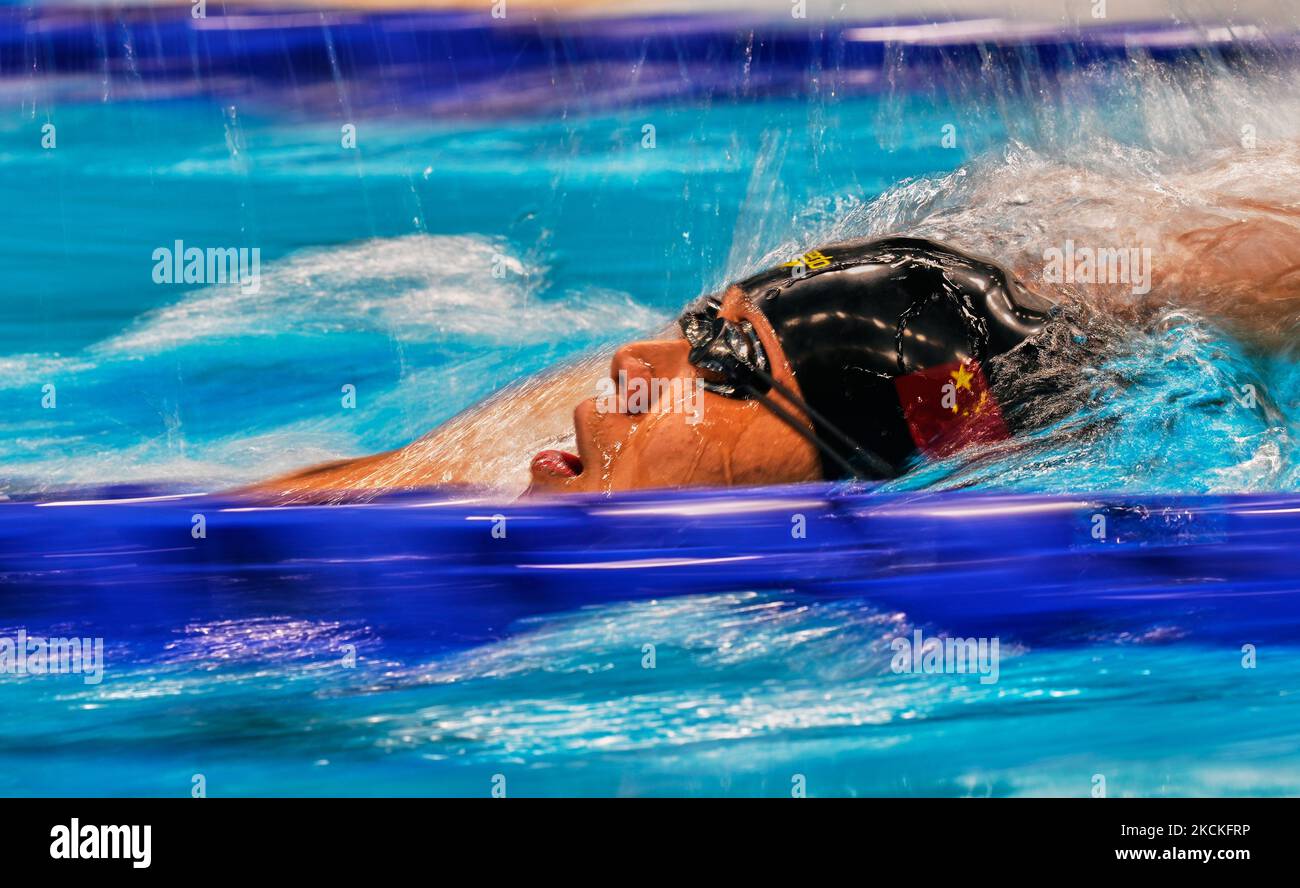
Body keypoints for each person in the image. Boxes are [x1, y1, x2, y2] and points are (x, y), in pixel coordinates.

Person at [244, 237, 1070, 500]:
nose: (630, 357)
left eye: (722, 358)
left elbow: (972, 454)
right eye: (698, 326)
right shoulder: (508, 458)